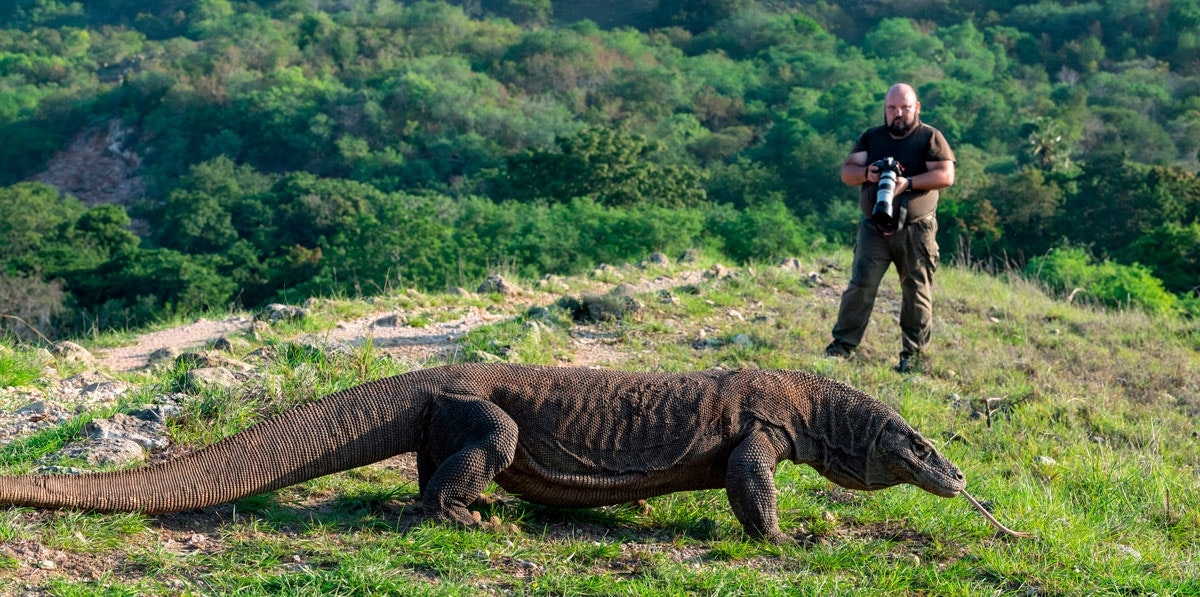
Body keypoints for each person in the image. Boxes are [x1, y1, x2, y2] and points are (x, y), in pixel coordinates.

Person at [825, 83, 956, 373]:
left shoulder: (930, 137)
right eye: (892, 108)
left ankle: (913, 356)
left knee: (916, 291)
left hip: (915, 229)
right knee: (860, 286)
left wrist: (908, 183)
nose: (898, 114)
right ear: (885, 109)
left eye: (904, 108)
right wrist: (867, 174)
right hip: (874, 228)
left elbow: (946, 175)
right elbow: (848, 172)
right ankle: (842, 347)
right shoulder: (872, 137)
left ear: (916, 108)